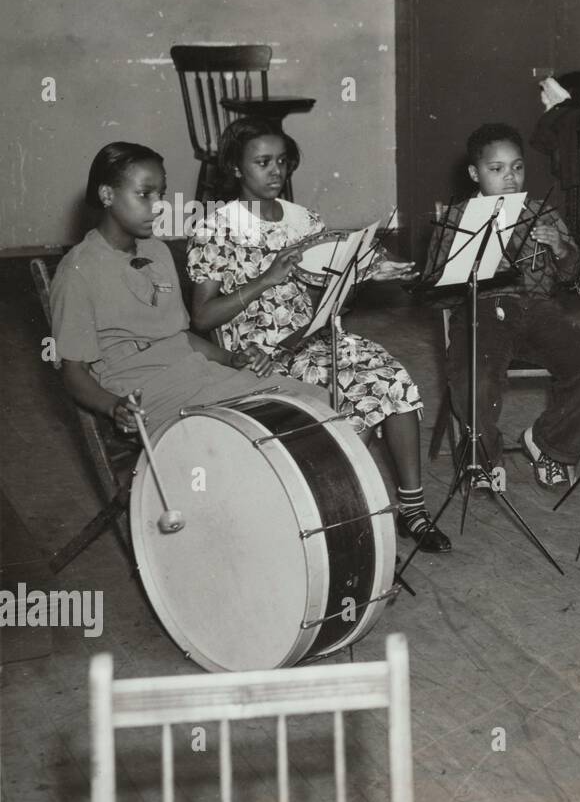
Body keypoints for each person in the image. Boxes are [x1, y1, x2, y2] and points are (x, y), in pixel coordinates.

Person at [186, 117, 450, 553]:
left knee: (394, 379)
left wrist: (363, 273)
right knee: (350, 408)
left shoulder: (304, 220)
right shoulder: (215, 229)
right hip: (258, 353)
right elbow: (201, 317)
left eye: (283, 162)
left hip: (314, 338)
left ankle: (412, 511)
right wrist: (266, 279)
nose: (276, 172)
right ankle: (337, 520)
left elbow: (327, 292)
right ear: (235, 168)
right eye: (263, 162)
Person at [51, 141, 325, 440]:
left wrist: (231, 359)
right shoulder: (78, 270)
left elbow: (179, 336)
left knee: (319, 404)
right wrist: (114, 407)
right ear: (107, 194)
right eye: (144, 194)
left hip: (197, 373)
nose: (158, 206)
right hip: (148, 395)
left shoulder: (156, 250)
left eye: (161, 194)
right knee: (254, 436)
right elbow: (73, 371)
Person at [431, 122, 580, 488]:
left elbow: (577, 278)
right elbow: (437, 295)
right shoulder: (456, 220)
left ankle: (549, 444)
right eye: (496, 170)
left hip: (538, 313)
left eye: (517, 167)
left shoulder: (540, 211)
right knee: (474, 379)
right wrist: (466, 271)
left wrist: (562, 249)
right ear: (474, 174)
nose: (509, 178)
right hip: (480, 314)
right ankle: (482, 457)